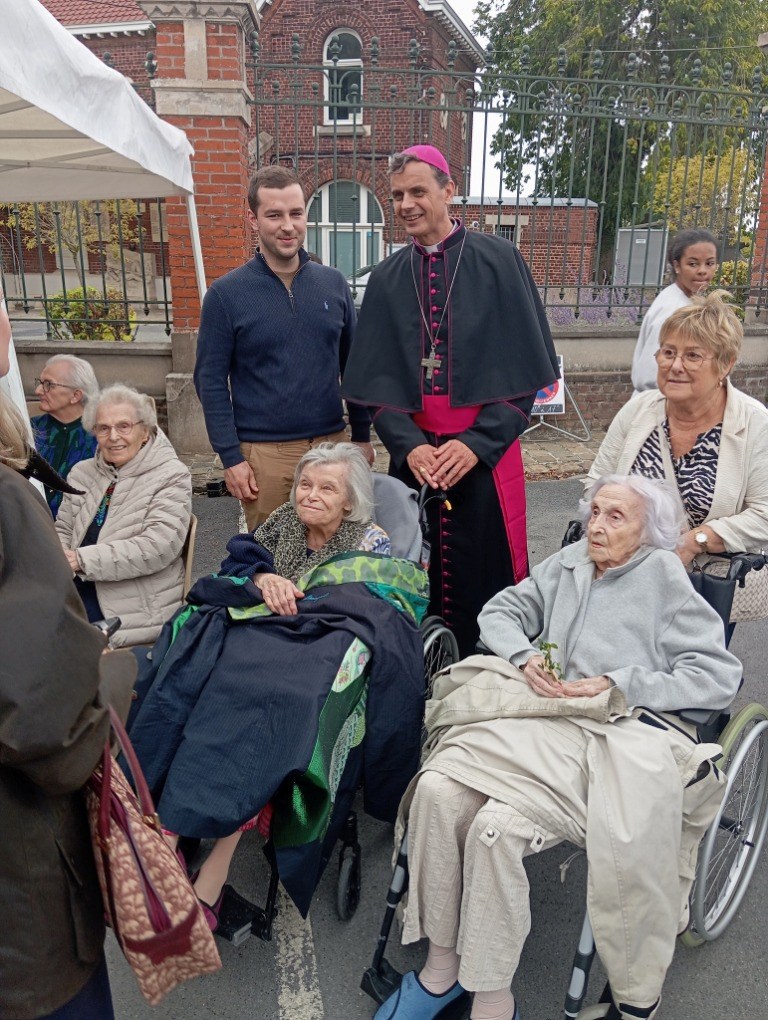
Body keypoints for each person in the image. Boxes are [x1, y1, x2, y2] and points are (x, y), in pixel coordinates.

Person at [376, 475, 741, 1020]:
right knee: (434, 790)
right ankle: (441, 971)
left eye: (616, 516)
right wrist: (525, 656)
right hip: (534, 718)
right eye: (595, 511)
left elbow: (716, 675)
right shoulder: (569, 562)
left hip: (604, 734)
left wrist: (623, 682)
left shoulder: (664, 577)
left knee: (494, 830)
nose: (597, 524)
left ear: (648, 532)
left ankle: (494, 999)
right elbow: (500, 612)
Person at [129, 443, 427, 925]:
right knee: (208, 679)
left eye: (326, 488)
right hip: (260, 639)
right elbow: (242, 564)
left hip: (314, 650)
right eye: (304, 484)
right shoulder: (284, 522)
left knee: (277, 707)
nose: (310, 495)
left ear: (349, 500)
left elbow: (372, 610)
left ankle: (213, 866)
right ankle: (170, 833)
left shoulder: (369, 542)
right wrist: (264, 576)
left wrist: (303, 600)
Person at [342, 145, 559, 656]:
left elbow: (524, 380)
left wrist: (475, 445)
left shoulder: (499, 260)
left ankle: (491, 675)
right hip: (415, 460)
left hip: (484, 458)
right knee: (411, 571)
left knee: (490, 575)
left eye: (418, 191)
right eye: (397, 195)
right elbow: (378, 387)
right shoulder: (388, 277)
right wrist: (409, 447)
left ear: (448, 190)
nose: (406, 204)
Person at [0, 389, 136, 1020]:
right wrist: (107, 689)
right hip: (19, 883)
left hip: (127, 604)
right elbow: (47, 729)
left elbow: (157, 545)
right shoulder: (16, 496)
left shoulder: (161, 476)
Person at [194, 165, 373, 531]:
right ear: (253, 219)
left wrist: (361, 434)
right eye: (274, 215)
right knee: (273, 563)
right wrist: (231, 457)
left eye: (295, 213)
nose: (287, 226)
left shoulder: (333, 284)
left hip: (332, 448)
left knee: (339, 557)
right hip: (264, 457)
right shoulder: (226, 295)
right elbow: (210, 381)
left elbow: (353, 365)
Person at [588, 292, 768, 620]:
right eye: (668, 352)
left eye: (693, 356)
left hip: (702, 589)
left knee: (691, 670)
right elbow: (595, 484)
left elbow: (764, 513)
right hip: (623, 575)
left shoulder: (754, 423)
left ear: (725, 364)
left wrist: (695, 541)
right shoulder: (638, 409)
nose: (675, 366)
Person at [55, 383, 192, 647]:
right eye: (103, 428)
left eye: (124, 426)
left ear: (145, 430)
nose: (113, 436)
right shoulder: (82, 472)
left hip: (134, 606)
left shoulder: (171, 475)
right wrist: (60, 559)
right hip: (75, 590)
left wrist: (80, 560)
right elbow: (62, 528)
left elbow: (158, 547)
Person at [630, 228, 718, 394]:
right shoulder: (673, 311)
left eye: (709, 263)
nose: (702, 270)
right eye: (693, 264)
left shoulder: (686, 301)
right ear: (677, 266)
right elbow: (651, 376)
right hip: (659, 407)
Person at [31, 354, 99, 517]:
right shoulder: (28, 429)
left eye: (48, 384)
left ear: (76, 396)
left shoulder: (102, 436)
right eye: (40, 383)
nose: (38, 390)